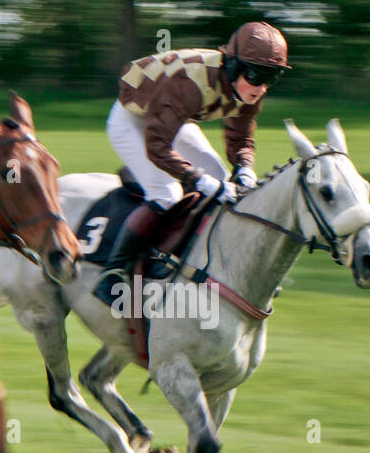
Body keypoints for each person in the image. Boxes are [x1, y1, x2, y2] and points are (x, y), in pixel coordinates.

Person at [93, 21, 291, 306]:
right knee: (167, 193)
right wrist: (196, 179)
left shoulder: (250, 89)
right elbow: (158, 147)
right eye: (256, 75)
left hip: (173, 118)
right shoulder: (190, 83)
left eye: (271, 78)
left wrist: (244, 168)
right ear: (233, 66)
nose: (261, 87)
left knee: (222, 179)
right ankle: (112, 272)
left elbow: (241, 137)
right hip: (132, 119)